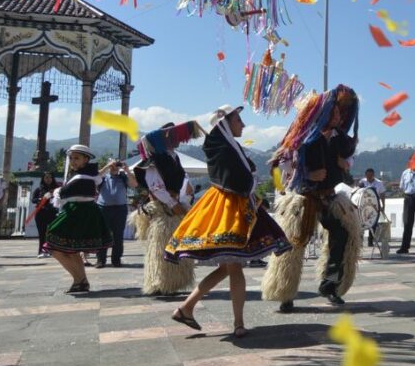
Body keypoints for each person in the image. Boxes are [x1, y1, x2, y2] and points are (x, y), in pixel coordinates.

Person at [166, 106, 291, 337]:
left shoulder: (224, 147)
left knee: (227, 267)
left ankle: (186, 308)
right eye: (239, 120)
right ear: (225, 123)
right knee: (234, 266)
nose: (242, 125)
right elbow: (238, 180)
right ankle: (238, 324)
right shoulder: (222, 148)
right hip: (228, 208)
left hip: (226, 204)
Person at [263, 86, 363, 313]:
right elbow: (278, 166)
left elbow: (350, 162)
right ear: (326, 112)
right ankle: (284, 293)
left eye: (343, 112)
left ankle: (331, 286)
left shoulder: (341, 140)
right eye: (337, 111)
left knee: (343, 235)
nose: (341, 116)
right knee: (293, 245)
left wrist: (344, 165)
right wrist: (306, 175)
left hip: (329, 197)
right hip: (304, 198)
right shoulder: (303, 138)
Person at [132, 121, 203, 295]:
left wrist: (185, 198)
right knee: (161, 247)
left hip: (176, 207)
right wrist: (173, 204)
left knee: (173, 246)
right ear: (165, 137)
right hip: (164, 209)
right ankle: (160, 282)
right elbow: (155, 187)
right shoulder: (154, 159)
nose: (178, 139)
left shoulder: (174, 157)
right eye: (173, 135)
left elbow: (182, 181)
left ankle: (172, 282)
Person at [44, 145, 112, 292]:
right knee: (71, 250)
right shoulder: (85, 174)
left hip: (77, 213)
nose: (73, 161)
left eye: (76, 158)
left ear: (85, 159)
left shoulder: (82, 177)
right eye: (71, 158)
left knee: (54, 247)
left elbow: (64, 192)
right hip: (77, 212)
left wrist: (56, 191)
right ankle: (81, 281)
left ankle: (79, 279)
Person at [96, 159, 137, 268]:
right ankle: (101, 260)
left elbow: (134, 184)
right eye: (112, 165)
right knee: (102, 235)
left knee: (118, 236)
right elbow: (95, 177)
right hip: (104, 208)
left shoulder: (123, 177)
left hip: (120, 209)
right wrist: (106, 166)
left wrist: (127, 170)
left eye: (116, 165)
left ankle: (116, 259)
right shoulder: (103, 177)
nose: (114, 167)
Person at [30, 172, 60, 258]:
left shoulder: (56, 189)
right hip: (41, 213)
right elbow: (33, 200)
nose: (48, 179)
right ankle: (41, 251)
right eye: (46, 177)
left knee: (52, 233)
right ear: (43, 179)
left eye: (50, 177)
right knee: (42, 233)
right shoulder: (39, 189)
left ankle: (51, 250)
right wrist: (40, 199)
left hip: (53, 213)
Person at [356, 168, 386, 247]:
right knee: (361, 223)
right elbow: (357, 192)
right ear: (365, 175)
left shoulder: (379, 183)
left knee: (373, 224)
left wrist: (383, 206)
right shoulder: (362, 182)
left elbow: (382, 195)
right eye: (368, 175)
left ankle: (370, 241)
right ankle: (360, 240)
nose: (369, 177)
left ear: (373, 175)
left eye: (371, 175)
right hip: (363, 206)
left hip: (374, 207)